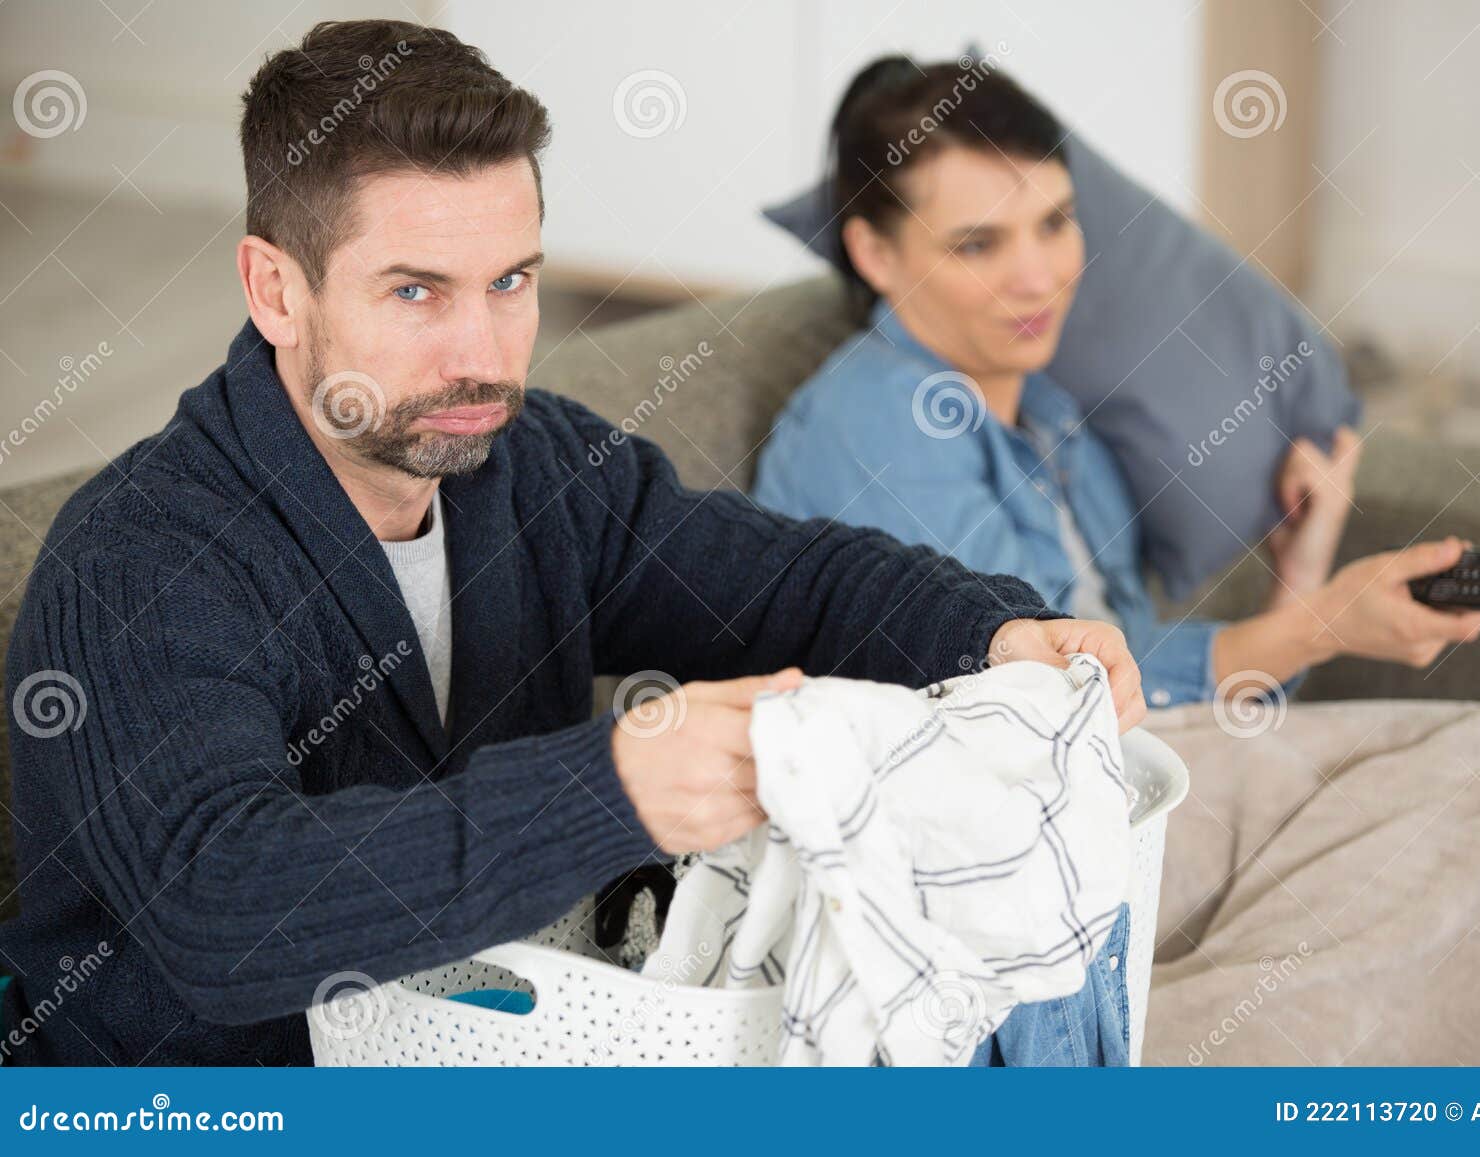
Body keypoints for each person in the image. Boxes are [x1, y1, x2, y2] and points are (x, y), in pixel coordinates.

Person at [0, 24, 1143, 1067]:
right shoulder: (139, 563)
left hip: (495, 1051)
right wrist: (613, 787)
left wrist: (996, 629)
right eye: (415, 292)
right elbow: (224, 906)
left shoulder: (534, 464)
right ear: (275, 290)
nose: (482, 352)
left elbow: (789, 580)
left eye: (511, 280)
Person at [752, 55, 1480, 1064]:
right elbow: (1033, 698)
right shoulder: (877, 416)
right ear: (873, 252)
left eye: (1055, 222)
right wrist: (1317, 624)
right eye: (979, 242)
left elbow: (1149, 676)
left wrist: (1301, 576)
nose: (1038, 275)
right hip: (1010, 826)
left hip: (1137, 780)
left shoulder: (1056, 419)